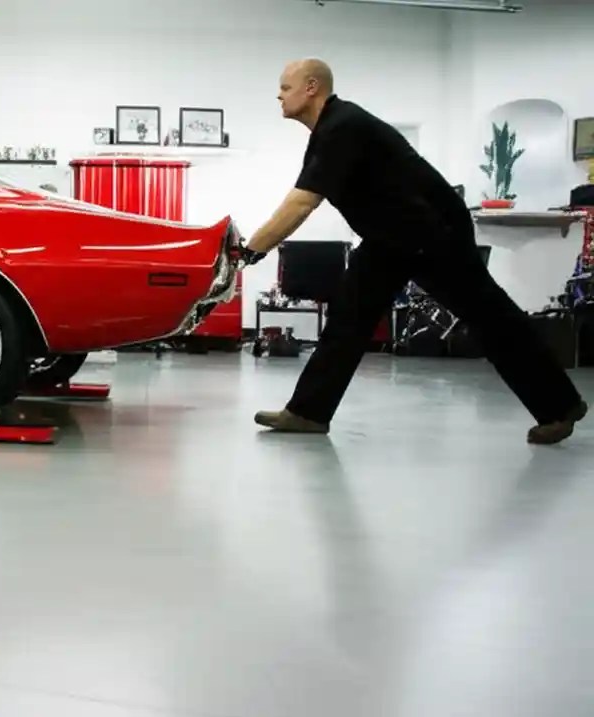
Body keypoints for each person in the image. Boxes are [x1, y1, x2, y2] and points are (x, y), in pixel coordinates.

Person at [239, 58, 587, 445]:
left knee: (490, 317)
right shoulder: (330, 130)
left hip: (433, 232)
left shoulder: (343, 126)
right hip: (391, 238)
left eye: (285, 87)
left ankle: (560, 406)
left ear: (311, 87)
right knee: (348, 317)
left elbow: (302, 203)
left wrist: (250, 251)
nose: (278, 95)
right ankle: (308, 412)